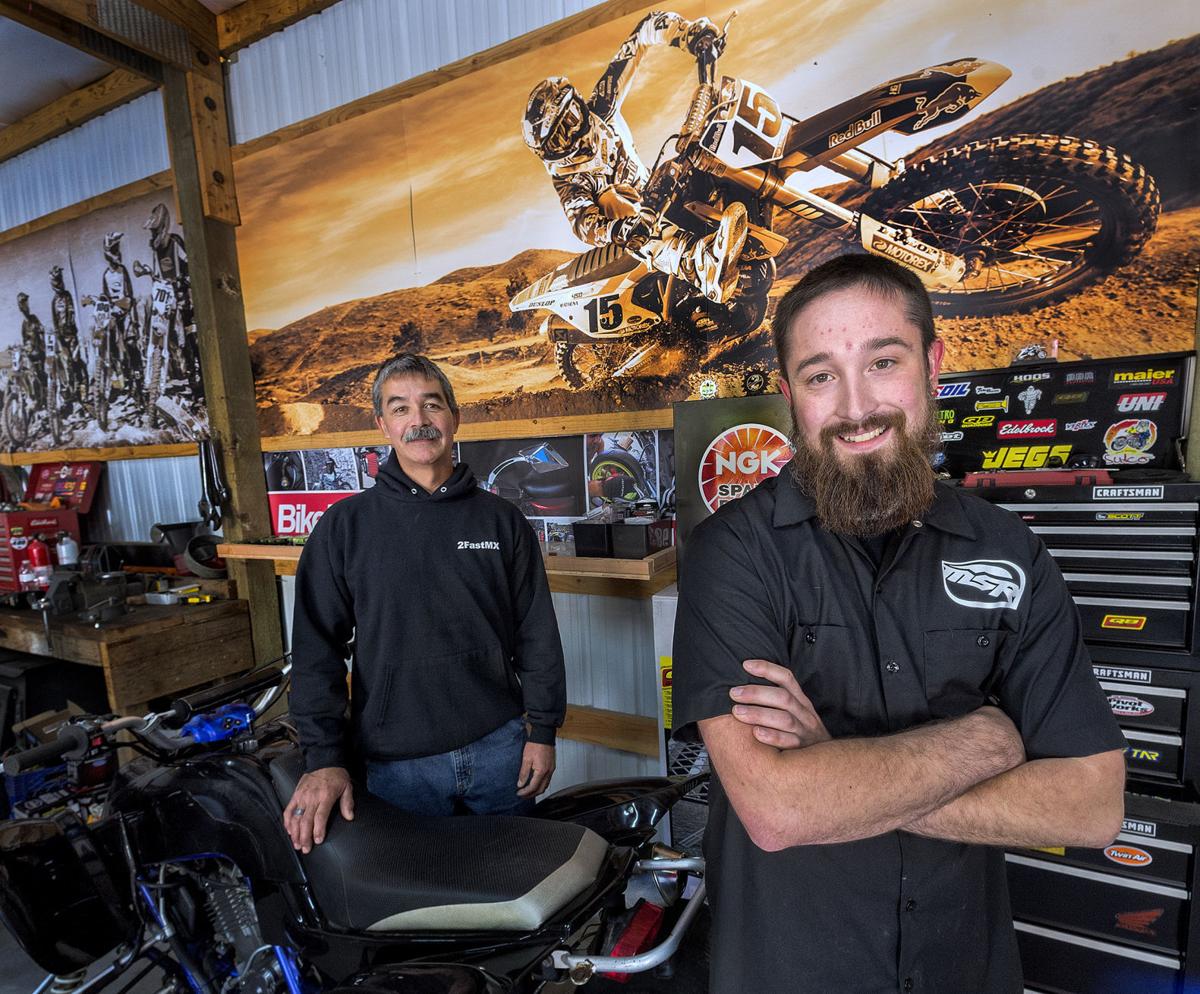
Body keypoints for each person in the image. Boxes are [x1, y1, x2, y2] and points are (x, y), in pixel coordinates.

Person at [672, 253, 1126, 994]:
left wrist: (841, 771)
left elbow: (1091, 804)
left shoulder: (1011, 552)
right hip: (790, 969)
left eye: (883, 361)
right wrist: (989, 739)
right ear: (791, 397)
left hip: (963, 967)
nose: (856, 407)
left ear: (932, 365)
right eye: (821, 376)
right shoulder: (733, 553)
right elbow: (779, 809)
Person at [284, 354, 567, 853]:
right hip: (397, 767)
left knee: (514, 888)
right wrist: (323, 758)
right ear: (382, 425)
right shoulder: (345, 527)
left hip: (502, 750)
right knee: (420, 914)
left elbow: (536, 633)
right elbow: (315, 651)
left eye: (431, 405)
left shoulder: (501, 521)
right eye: (401, 409)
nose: (418, 421)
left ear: (454, 417)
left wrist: (542, 731)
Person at [522, 11, 748, 305]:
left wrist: (689, 34)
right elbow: (583, 224)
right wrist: (616, 229)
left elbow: (641, 35)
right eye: (559, 138)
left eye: (572, 118)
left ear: (579, 103)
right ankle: (702, 267)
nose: (573, 134)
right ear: (547, 151)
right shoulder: (569, 181)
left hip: (665, 187)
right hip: (640, 229)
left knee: (687, 155)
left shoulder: (602, 105)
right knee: (619, 205)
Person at [49, 266, 87, 411]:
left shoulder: (67, 296)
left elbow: (71, 311)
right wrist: (57, 335)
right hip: (62, 338)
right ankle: (71, 396)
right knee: (66, 364)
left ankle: (82, 392)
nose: (58, 284)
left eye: (59, 280)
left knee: (75, 361)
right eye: (55, 281)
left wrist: (70, 322)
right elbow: (54, 320)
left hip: (72, 335)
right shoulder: (53, 301)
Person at [15, 293, 46, 409]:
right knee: (31, 376)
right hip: (30, 354)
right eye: (23, 303)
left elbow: (41, 329)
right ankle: (36, 400)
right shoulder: (24, 324)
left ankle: (46, 399)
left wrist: (41, 331)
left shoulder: (33, 318)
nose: (25, 306)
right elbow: (24, 340)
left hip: (39, 351)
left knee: (41, 375)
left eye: (26, 303)